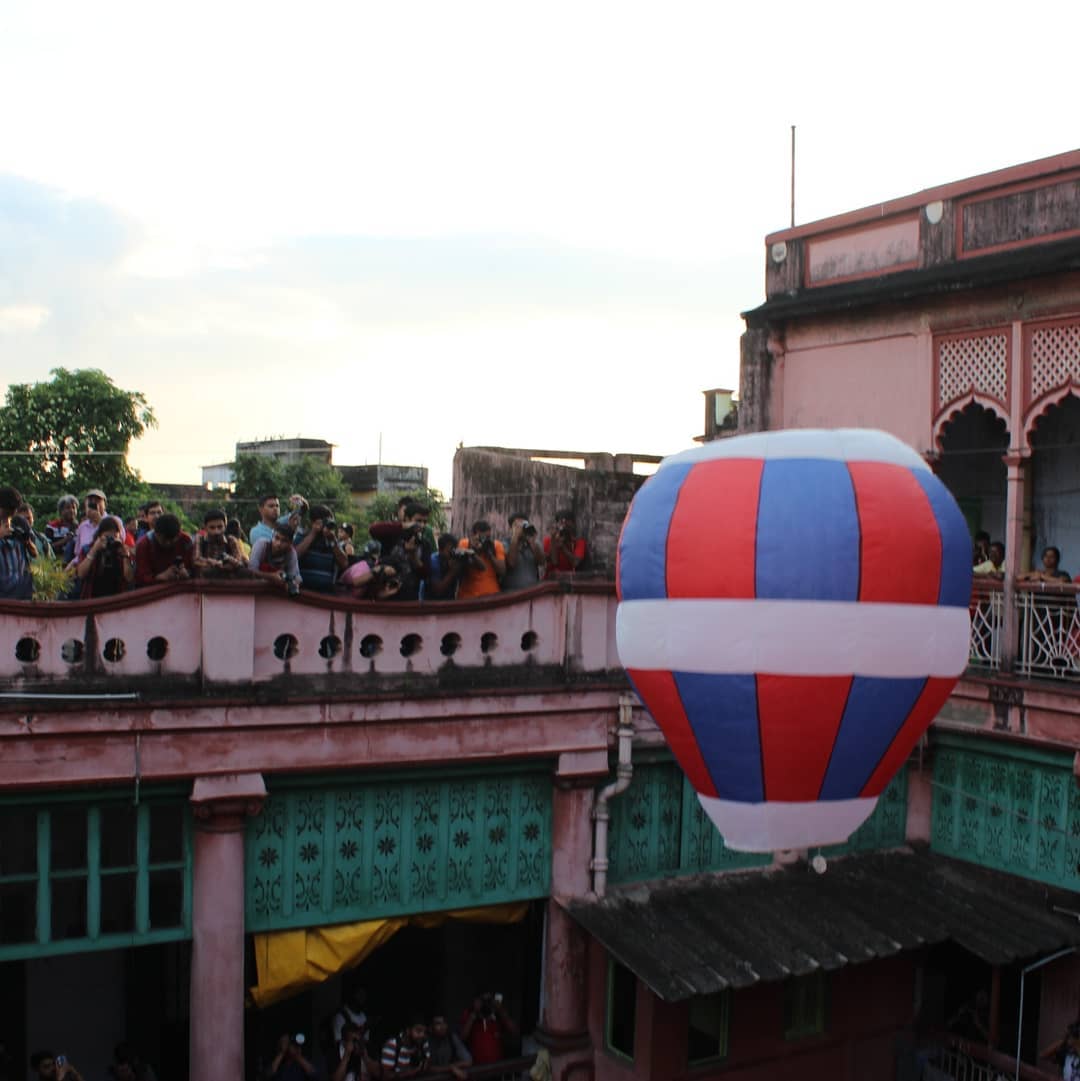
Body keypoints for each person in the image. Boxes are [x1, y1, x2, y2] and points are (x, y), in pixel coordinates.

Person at [295, 504, 348, 593]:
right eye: (325, 522)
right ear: (312, 522)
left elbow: (344, 564)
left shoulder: (333, 541)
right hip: (303, 592)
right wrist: (313, 533)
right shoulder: (302, 536)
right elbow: (294, 556)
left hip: (325, 594)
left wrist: (333, 542)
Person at [75, 517, 134, 598]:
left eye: (114, 537)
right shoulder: (88, 549)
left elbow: (129, 578)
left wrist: (125, 557)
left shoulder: (121, 550)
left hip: (117, 597)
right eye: (107, 537)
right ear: (99, 536)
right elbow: (81, 574)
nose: (110, 541)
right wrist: (94, 550)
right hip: (92, 597)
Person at [134, 513, 194, 587]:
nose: (168, 544)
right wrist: (160, 577)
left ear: (179, 535)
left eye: (172, 541)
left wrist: (187, 574)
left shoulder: (186, 541)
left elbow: (194, 569)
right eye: (164, 540)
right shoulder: (144, 545)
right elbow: (141, 579)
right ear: (156, 533)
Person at [461, 992, 518, 1065]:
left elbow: (514, 1031)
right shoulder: (470, 1015)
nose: (485, 1004)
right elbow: (462, 1037)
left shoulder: (498, 1015)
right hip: (476, 1067)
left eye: (488, 1001)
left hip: (496, 1066)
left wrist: (500, 1009)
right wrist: (474, 1013)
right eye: (483, 1001)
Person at [249, 521, 303, 594]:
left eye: (284, 541)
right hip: (256, 589)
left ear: (290, 543)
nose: (278, 543)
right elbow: (250, 571)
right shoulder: (262, 545)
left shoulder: (291, 552)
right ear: (272, 536)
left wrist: (294, 583)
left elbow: (296, 576)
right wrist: (271, 576)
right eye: (276, 538)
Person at [192, 508, 248, 578]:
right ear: (205, 527)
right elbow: (196, 560)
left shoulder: (231, 540)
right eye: (212, 528)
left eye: (220, 527)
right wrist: (215, 563)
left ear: (225, 526)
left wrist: (225, 562)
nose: (216, 531)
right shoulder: (200, 539)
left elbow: (239, 562)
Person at [0, 486, 34, 599]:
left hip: (19, 590)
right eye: (5, 514)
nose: (7, 521)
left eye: (10, 516)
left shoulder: (18, 525)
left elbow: (34, 553)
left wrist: (26, 541)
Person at [457, 521, 506, 599]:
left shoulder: (496, 545)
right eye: (482, 538)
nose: (485, 540)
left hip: (491, 593)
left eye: (488, 537)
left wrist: (489, 553)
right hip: (467, 595)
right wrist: (473, 549)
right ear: (473, 535)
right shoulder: (464, 544)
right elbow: (461, 568)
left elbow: (502, 570)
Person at [504, 513, 545, 591]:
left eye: (523, 525)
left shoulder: (534, 543)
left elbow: (542, 562)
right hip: (511, 594)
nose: (521, 528)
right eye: (517, 526)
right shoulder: (504, 543)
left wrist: (532, 543)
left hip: (532, 593)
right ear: (510, 528)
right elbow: (511, 563)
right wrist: (515, 536)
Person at [544, 510, 587, 578]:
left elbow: (575, 563)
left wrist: (563, 548)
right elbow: (554, 561)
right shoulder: (548, 540)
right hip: (550, 581)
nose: (564, 526)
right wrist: (553, 539)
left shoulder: (579, 542)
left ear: (573, 524)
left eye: (567, 522)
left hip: (568, 580)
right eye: (561, 522)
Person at [426, 534, 469, 601]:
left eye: (454, 549)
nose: (453, 553)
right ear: (440, 549)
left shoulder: (455, 558)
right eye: (450, 551)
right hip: (432, 602)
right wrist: (453, 571)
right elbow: (438, 590)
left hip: (450, 599)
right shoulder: (433, 561)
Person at [428, 1014, 471, 1080]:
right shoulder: (427, 1042)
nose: (442, 1027)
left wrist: (452, 1067)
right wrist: (451, 1068)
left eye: (444, 1023)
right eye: (438, 1024)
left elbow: (468, 1061)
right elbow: (430, 1068)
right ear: (431, 1027)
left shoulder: (452, 1038)